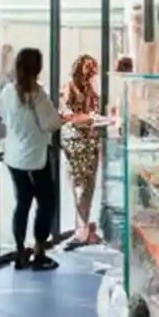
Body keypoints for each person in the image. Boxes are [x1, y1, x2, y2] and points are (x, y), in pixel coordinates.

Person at [0, 48, 92, 270]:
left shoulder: (8, 92)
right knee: (46, 203)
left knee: (22, 202)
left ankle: (20, 252)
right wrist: (67, 117)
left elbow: (4, 114)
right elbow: (50, 124)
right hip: (35, 158)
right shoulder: (37, 95)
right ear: (37, 69)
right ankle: (39, 251)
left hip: (14, 157)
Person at [61, 55, 104, 248]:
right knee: (79, 186)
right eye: (89, 69)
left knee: (89, 186)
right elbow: (68, 117)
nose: (93, 73)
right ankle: (81, 229)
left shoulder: (90, 90)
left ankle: (84, 228)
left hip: (91, 141)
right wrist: (90, 118)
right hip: (75, 142)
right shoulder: (68, 88)